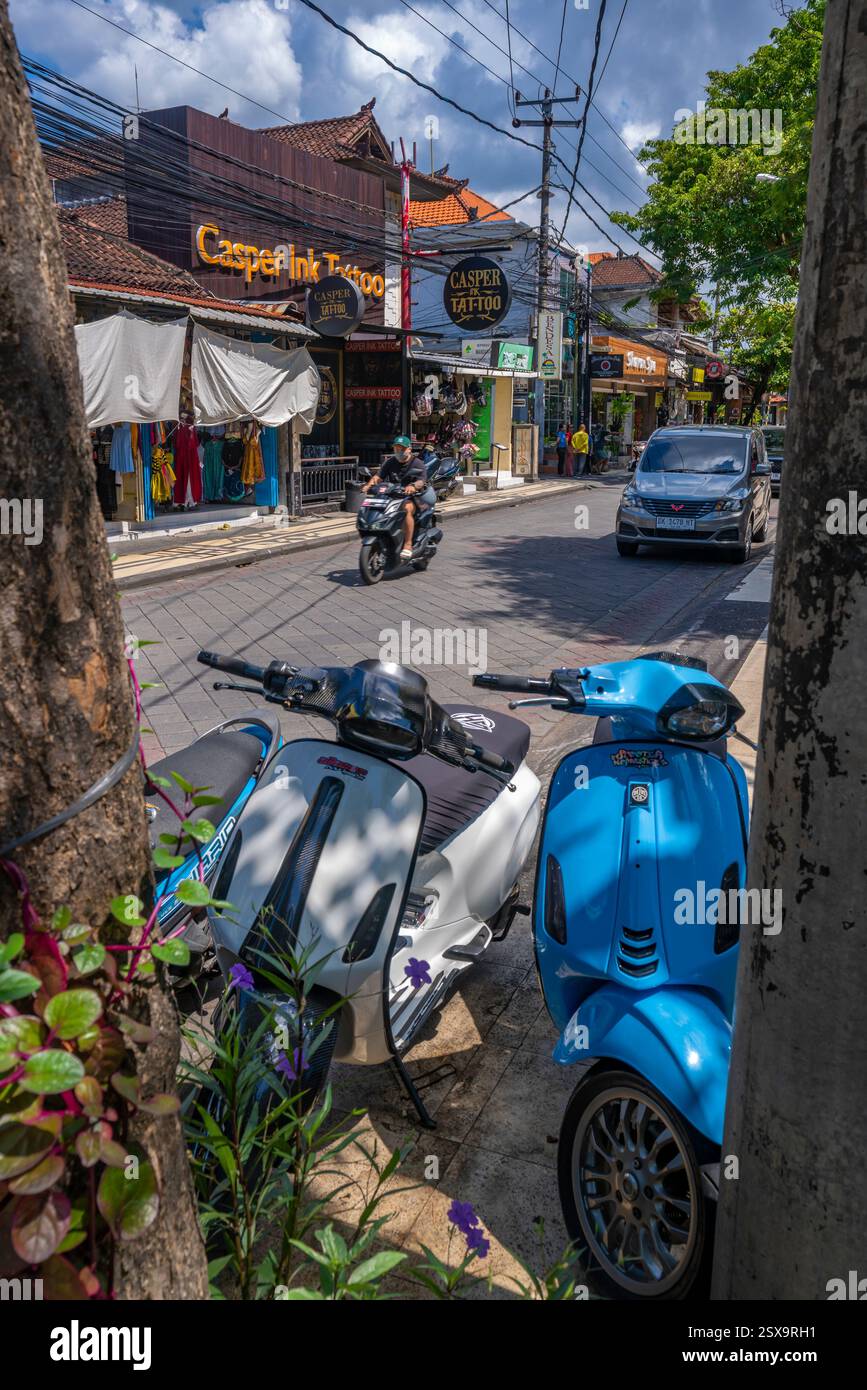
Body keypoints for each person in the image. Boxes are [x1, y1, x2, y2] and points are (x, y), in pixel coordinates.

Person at [363, 435, 435, 561]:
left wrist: (413, 486)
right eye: (396, 448)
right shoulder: (390, 462)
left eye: (402, 449)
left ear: (409, 449)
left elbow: (422, 480)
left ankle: (407, 545)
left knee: (406, 508)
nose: (399, 451)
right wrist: (369, 485)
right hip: (391, 496)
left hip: (412, 497)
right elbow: (379, 476)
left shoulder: (417, 463)